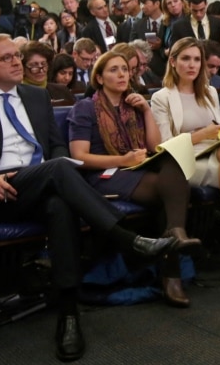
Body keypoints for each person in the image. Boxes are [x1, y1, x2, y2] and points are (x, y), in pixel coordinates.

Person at [0, 34, 179, 361]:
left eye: (16, 56)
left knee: (59, 203)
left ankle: (68, 314)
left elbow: (56, 147)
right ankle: (127, 238)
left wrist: (61, 163)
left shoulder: (36, 97)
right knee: (57, 171)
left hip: (43, 184)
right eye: (6, 57)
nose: (16, 61)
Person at [67, 51, 202, 307]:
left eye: (124, 70)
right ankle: (172, 272)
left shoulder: (134, 104)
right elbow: (79, 156)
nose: (121, 74)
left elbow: (154, 146)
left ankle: (174, 236)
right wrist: (122, 161)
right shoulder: (84, 107)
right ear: (99, 77)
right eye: (113, 70)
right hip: (102, 175)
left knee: (172, 161)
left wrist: (147, 111)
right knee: (172, 193)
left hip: (137, 168)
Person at [151, 38, 220, 274]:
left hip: (215, 154)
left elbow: (218, 129)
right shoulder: (161, 97)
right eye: (185, 59)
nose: (192, 65)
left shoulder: (210, 92)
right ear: (172, 62)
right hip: (185, 161)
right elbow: (164, 145)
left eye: (196, 59)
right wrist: (202, 134)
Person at [20, 41, 74, 105]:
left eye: (43, 64)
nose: (41, 70)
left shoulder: (62, 91)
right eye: (34, 65)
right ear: (23, 68)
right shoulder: (17, 94)